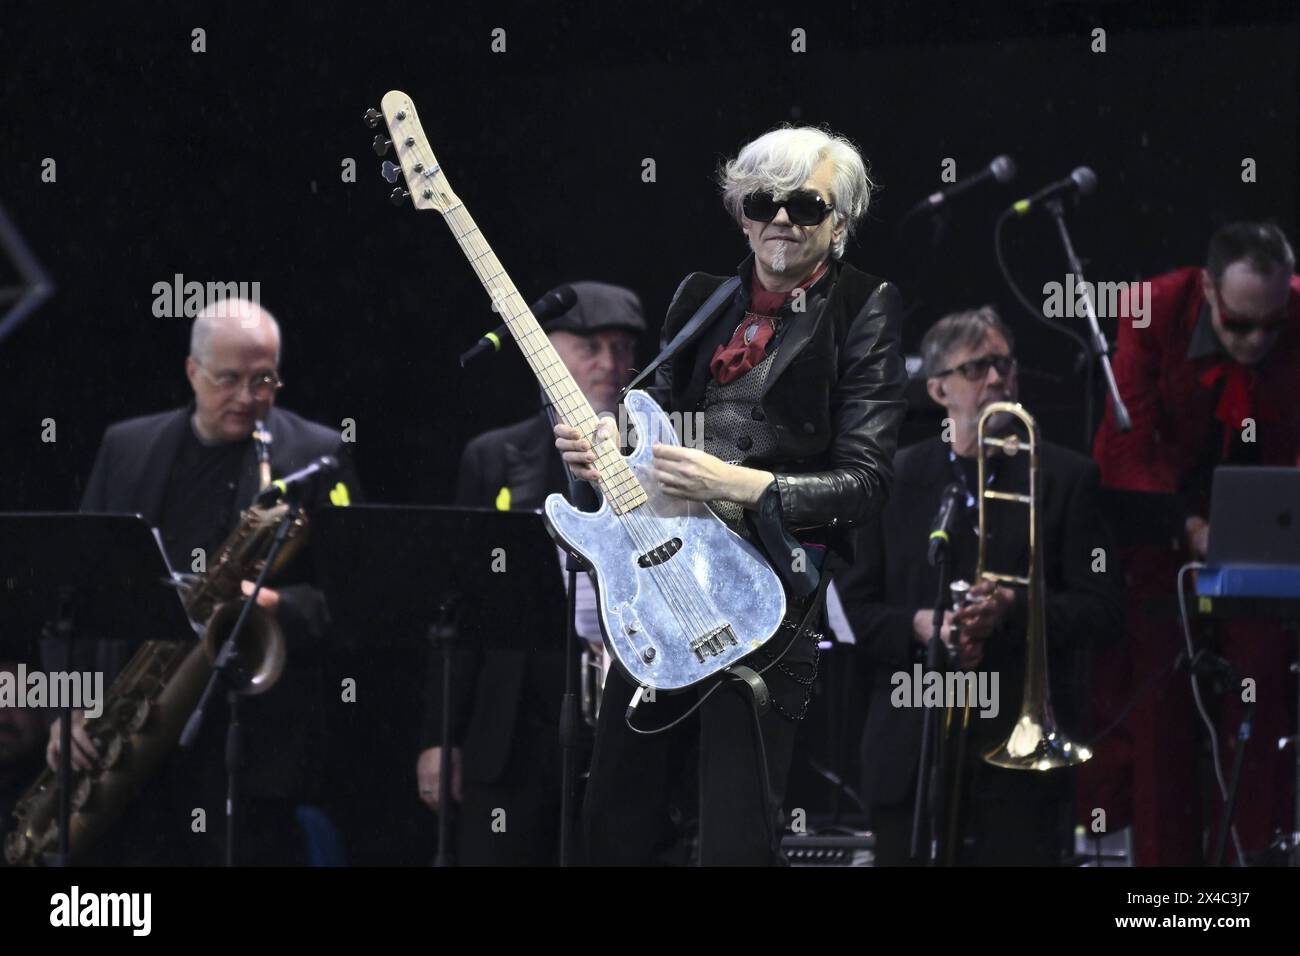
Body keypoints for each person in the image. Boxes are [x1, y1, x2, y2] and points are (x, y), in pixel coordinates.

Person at [555, 125, 908, 865]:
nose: (782, 219)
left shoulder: (865, 306)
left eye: (806, 205)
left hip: (768, 600)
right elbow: (646, 433)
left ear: (838, 222)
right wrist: (604, 456)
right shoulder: (697, 299)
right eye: (763, 201)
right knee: (616, 818)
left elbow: (867, 484)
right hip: (663, 580)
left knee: (734, 830)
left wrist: (740, 485)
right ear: (741, 213)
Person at [45, 297, 360, 865]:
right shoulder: (126, 447)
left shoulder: (316, 455)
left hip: (252, 747)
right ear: (192, 372)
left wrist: (269, 602)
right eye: (229, 379)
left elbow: (356, 603)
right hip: (132, 737)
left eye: (264, 380)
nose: (248, 397)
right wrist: (67, 708)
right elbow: (75, 591)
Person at [837, 306, 1122, 865]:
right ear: (939, 389)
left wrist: (1013, 607)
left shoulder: (1065, 477)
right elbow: (849, 608)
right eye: (978, 369)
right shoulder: (891, 481)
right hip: (911, 739)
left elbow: (1105, 611)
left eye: (1004, 366)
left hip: (1015, 746)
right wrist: (921, 625)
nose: (997, 380)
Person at [1092, 222, 1300, 863]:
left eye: (1272, 326)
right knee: (1162, 720)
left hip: (1266, 541)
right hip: (1161, 532)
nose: (1257, 341)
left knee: (1261, 703)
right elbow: (1128, 441)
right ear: (1208, 289)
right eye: (1240, 325)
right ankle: (1164, 890)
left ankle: (1251, 867)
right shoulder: (1154, 308)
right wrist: (1187, 527)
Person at [416, 281, 645, 865]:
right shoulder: (494, 457)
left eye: (622, 349)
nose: (610, 365)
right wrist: (439, 736)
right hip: (510, 728)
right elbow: (458, 610)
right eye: (590, 347)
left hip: (625, 722)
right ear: (543, 349)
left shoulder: (659, 454)